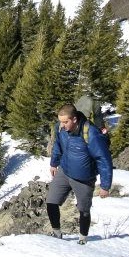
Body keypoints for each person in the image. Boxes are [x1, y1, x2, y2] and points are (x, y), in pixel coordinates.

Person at [46, 103, 113, 245]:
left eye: (65, 122)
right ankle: (56, 233)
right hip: (64, 171)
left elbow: (103, 159)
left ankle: (83, 238)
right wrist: (54, 163)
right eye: (60, 121)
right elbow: (58, 145)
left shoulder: (91, 132)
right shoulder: (61, 129)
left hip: (84, 178)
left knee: (84, 209)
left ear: (74, 119)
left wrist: (105, 186)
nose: (62, 125)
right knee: (51, 201)